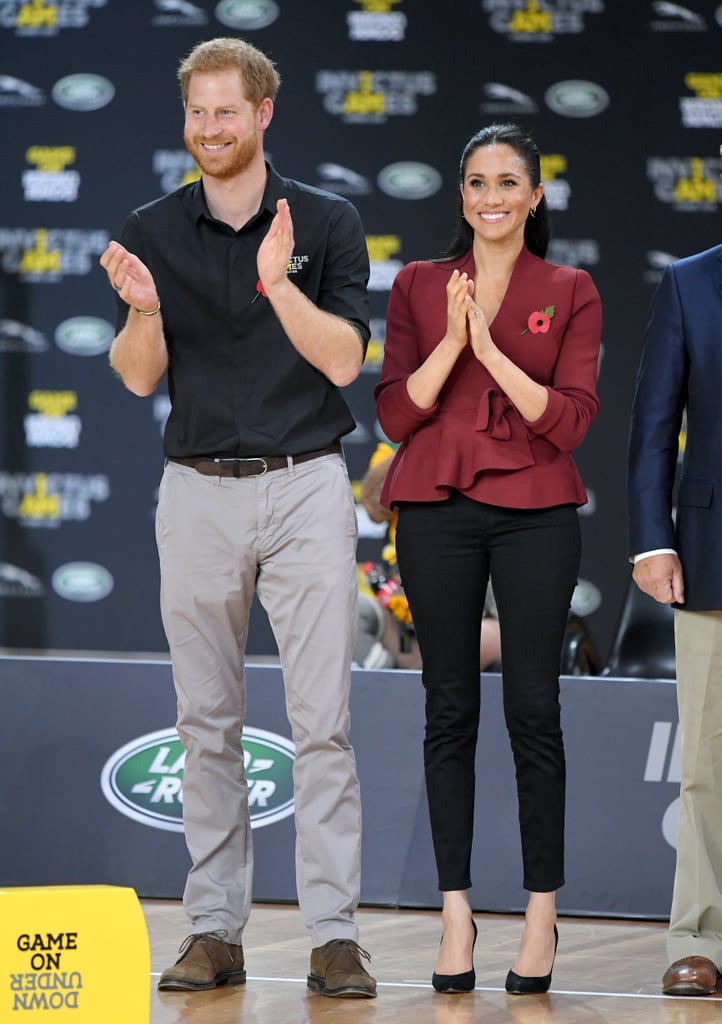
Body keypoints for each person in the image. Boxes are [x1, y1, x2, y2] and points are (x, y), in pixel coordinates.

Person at [99, 37, 376, 999]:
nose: (209, 129)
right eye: (197, 112)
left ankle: (336, 936)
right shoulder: (151, 229)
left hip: (305, 485)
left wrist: (276, 280)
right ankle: (213, 929)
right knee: (205, 724)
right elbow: (138, 376)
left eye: (227, 111)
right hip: (197, 490)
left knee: (323, 725)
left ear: (264, 114)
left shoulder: (328, 221)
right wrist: (141, 310)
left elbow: (345, 362)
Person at [375, 122, 602, 995]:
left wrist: (492, 351)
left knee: (535, 712)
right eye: (477, 181)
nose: (493, 196)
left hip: (538, 513)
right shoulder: (421, 284)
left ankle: (542, 917)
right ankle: (457, 914)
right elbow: (398, 416)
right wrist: (451, 340)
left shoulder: (569, 288)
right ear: (461, 195)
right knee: (447, 711)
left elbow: (571, 419)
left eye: (510, 181)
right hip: (435, 511)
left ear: (536, 196)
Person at [628, 243, 722, 997]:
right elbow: (655, 422)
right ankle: (700, 937)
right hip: (713, 552)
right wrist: (654, 539)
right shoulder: (691, 281)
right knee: (707, 767)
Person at [356, 440, 502, 671]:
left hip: (474, 627)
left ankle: (432, 678)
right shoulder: (399, 522)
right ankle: (379, 677)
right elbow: (374, 504)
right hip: (409, 633)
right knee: (354, 609)